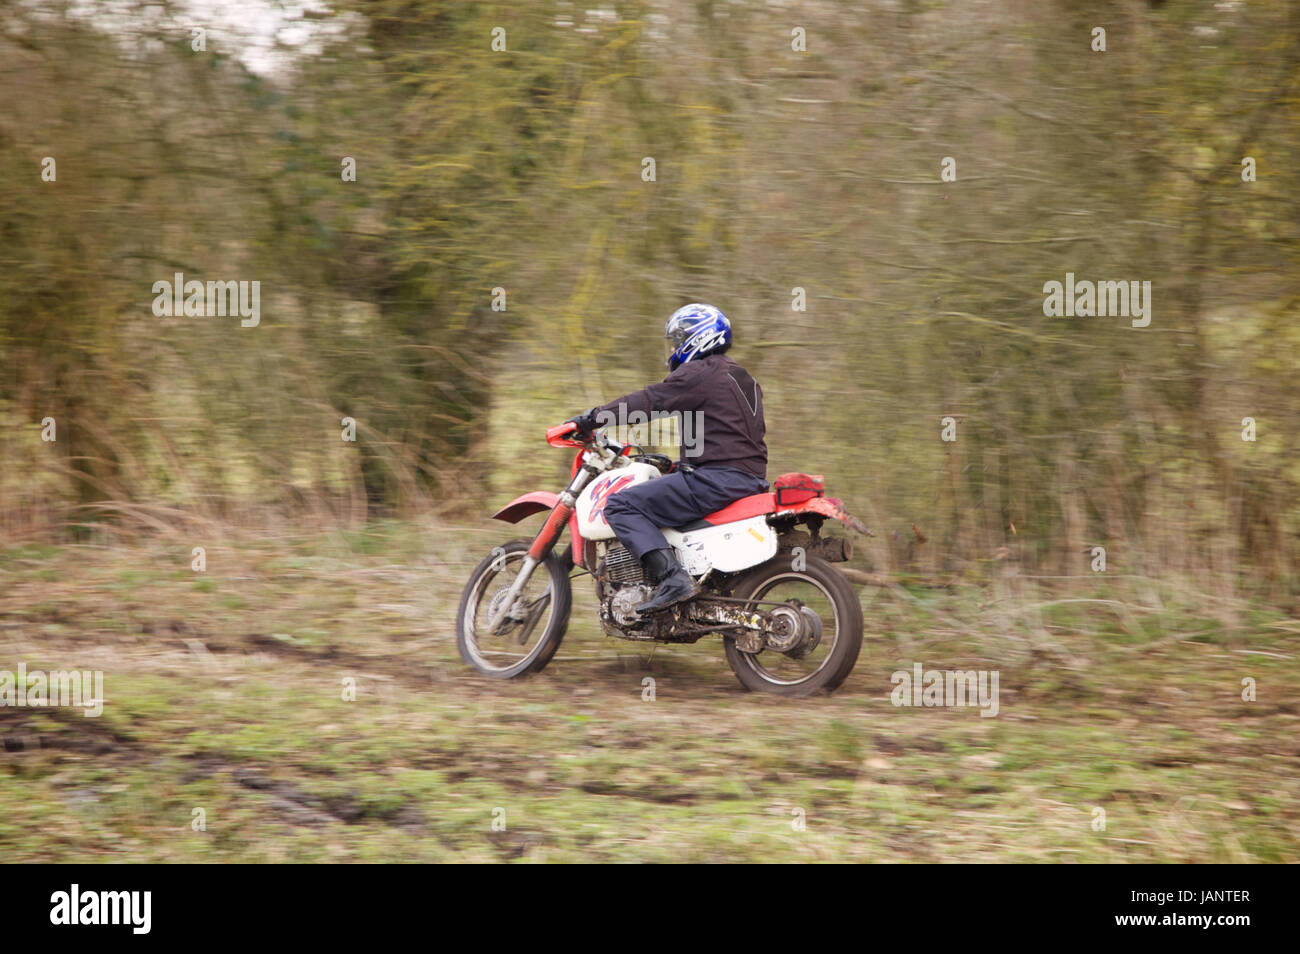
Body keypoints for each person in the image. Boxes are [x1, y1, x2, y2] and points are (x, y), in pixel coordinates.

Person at [568, 303, 768, 614]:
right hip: (746, 479)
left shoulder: (699, 373)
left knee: (621, 505)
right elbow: (728, 434)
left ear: (697, 338)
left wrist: (592, 419)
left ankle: (674, 579)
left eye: (677, 340)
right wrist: (678, 466)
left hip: (717, 481)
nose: (673, 348)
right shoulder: (742, 378)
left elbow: (649, 401)